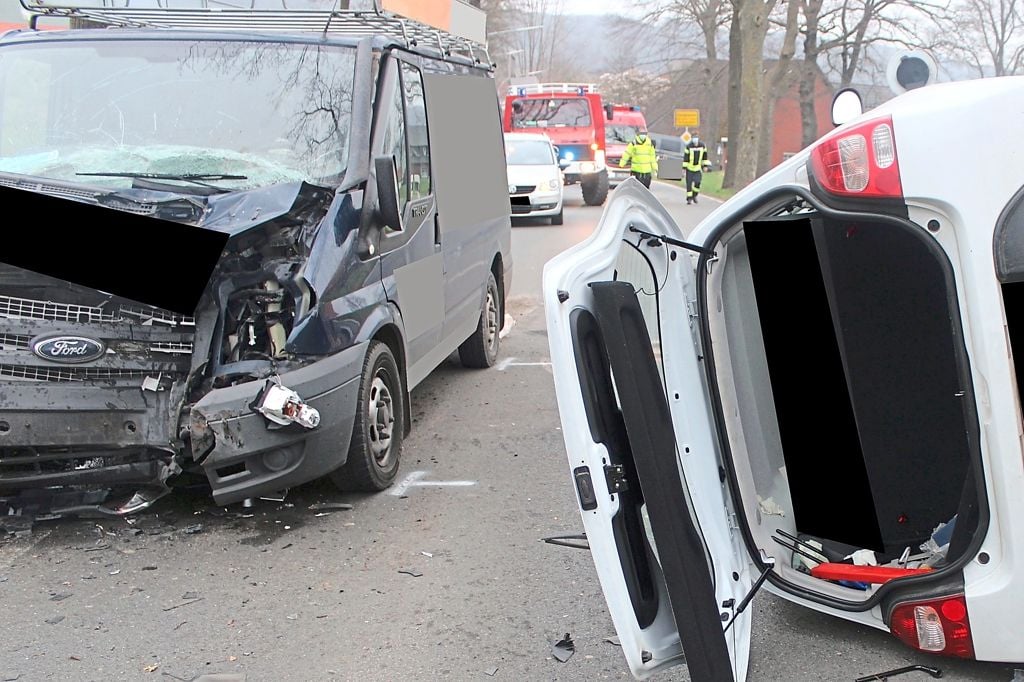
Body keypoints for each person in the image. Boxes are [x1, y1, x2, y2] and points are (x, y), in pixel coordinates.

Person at [683, 134, 710, 204]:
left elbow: (705, 157)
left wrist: (705, 166)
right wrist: (684, 169)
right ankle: (689, 199)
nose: (695, 140)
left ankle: (694, 195)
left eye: (696, 138)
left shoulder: (702, 146)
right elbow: (686, 158)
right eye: (694, 138)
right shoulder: (688, 147)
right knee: (689, 184)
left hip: (698, 169)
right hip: (689, 168)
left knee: (697, 182)